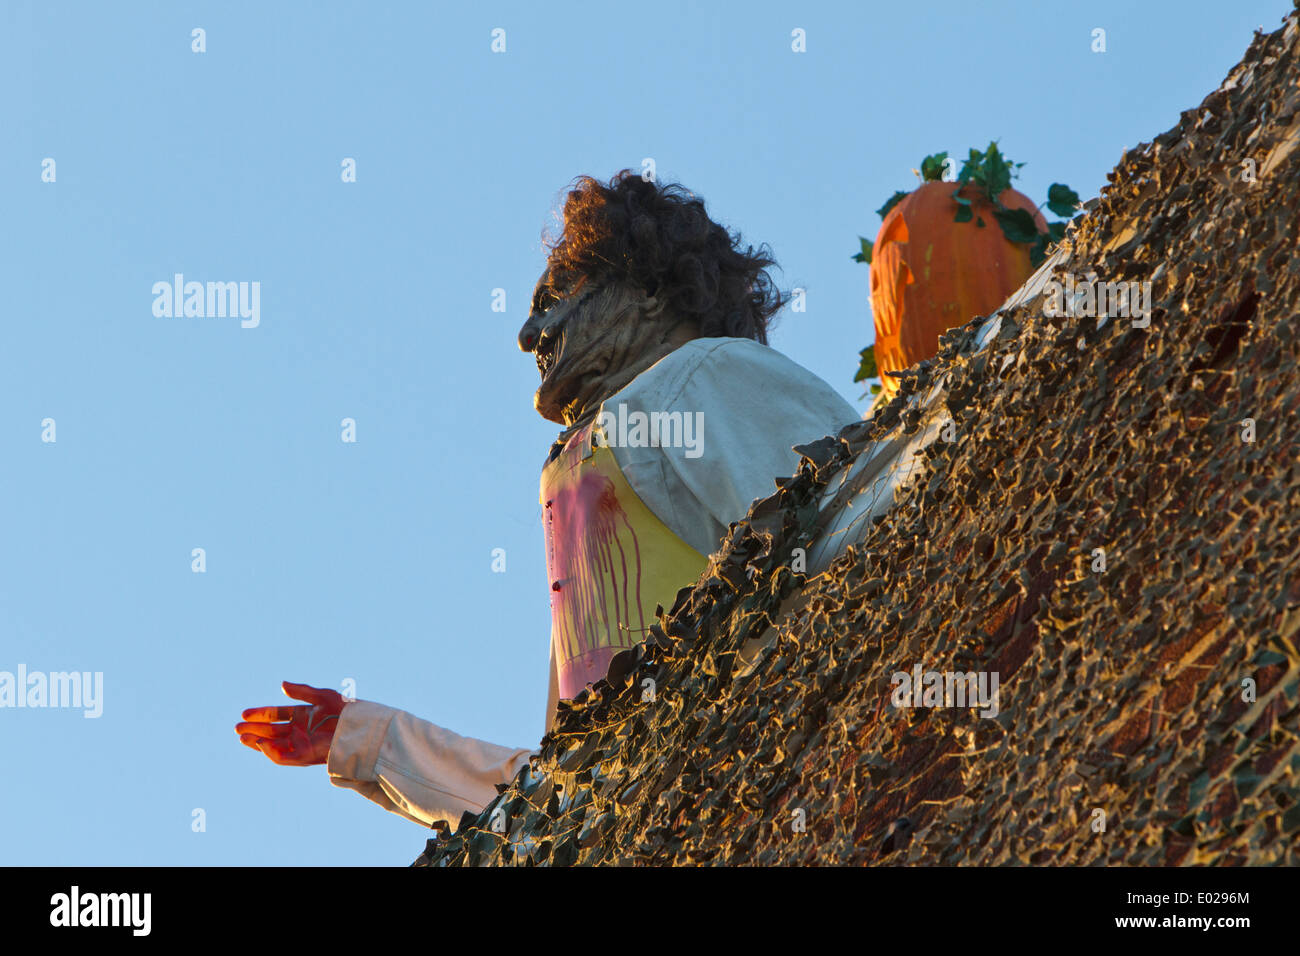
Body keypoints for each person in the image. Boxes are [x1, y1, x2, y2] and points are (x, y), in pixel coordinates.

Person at [235, 170, 858, 830]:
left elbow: (864, 528)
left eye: (558, 295)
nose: (530, 333)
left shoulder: (705, 377)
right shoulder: (586, 464)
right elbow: (568, 794)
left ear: (646, 292)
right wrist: (365, 741)